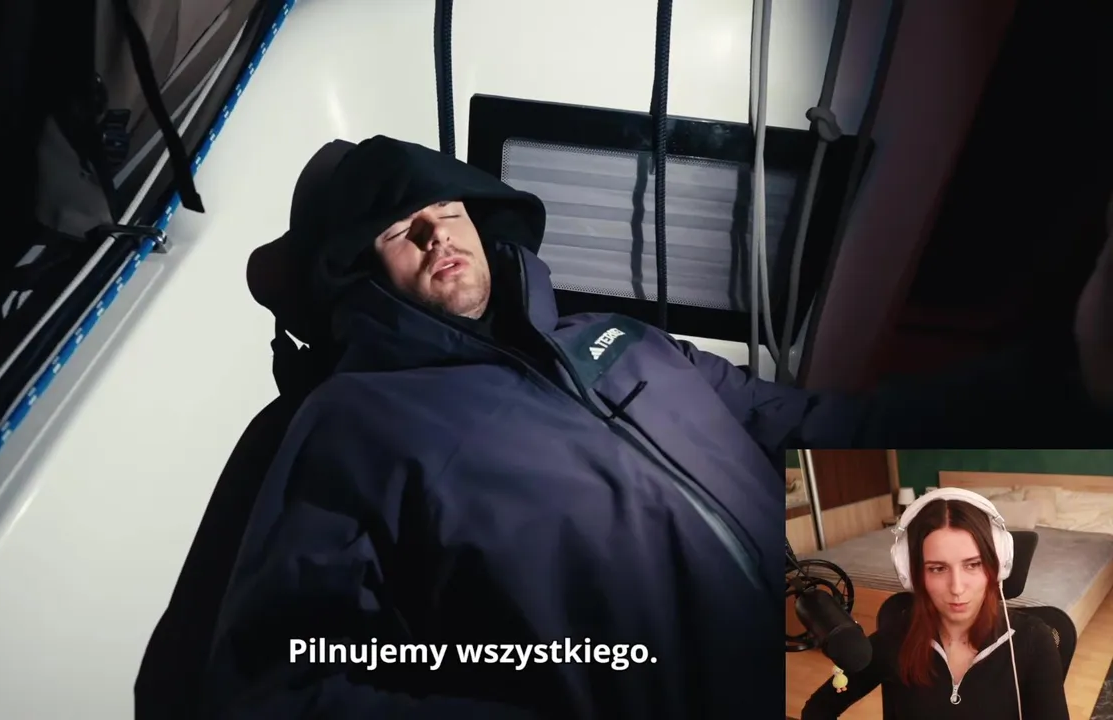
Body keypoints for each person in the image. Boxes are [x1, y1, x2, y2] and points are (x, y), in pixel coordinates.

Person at [199, 136, 1111, 719]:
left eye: (448, 210)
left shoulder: (622, 338)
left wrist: (1068, 373)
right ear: (358, 275)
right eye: (404, 229)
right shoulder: (351, 421)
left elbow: (823, 420)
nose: (440, 235)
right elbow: (282, 679)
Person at [801, 489, 1070, 719]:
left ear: (996, 567)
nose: (957, 588)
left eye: (973, 565)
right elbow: (818, 709)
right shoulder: (897, 637)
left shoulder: (1033, 641)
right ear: (913, 574)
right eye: (938, 568)